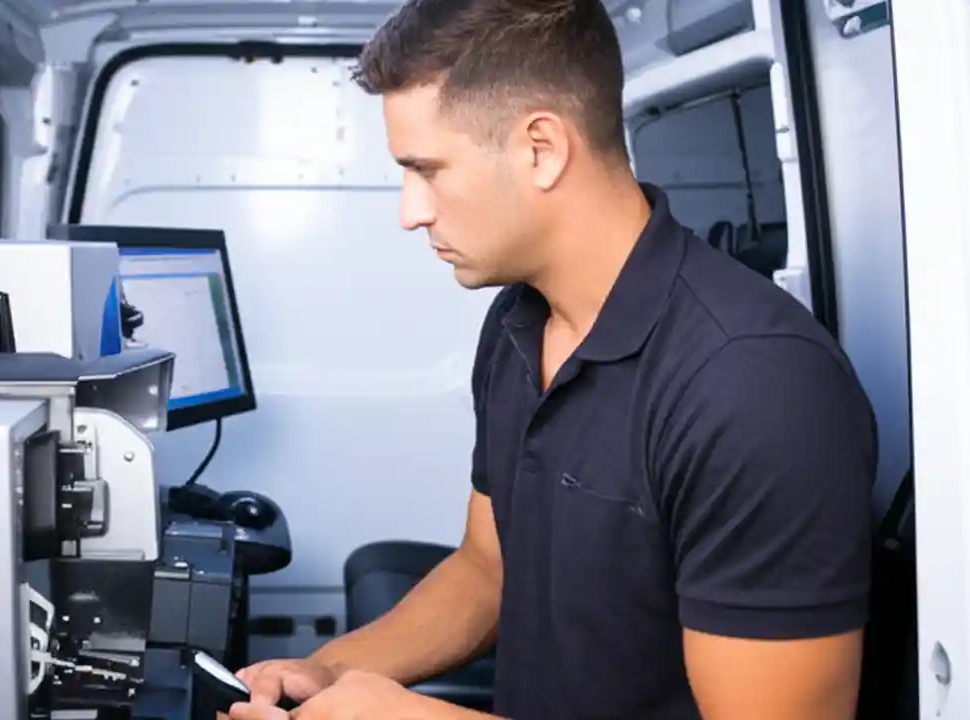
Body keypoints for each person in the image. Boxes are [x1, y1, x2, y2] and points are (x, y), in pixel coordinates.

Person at [227, 0, 877, 718]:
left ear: (542, 148)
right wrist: (327, 670)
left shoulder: (754, 387)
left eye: (427, 170)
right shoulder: (517, 322)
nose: (410, 211)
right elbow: (487, 570)